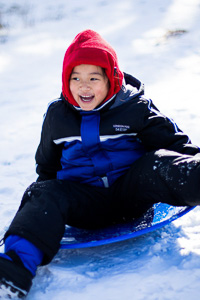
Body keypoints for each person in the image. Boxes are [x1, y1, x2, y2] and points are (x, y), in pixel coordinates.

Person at [0, 29, 200, 298]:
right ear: (65, 81)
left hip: (133, 193)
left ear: (112, 79)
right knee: (42, 192)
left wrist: (187, 166)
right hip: (85, 203)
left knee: (157, 163)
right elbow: (46, 167)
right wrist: (40, 213)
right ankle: (12, 272)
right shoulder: (58, 117)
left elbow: (176, 146)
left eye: (93, 78)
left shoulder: (134, 107)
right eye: (76, 78)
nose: (84, 86)